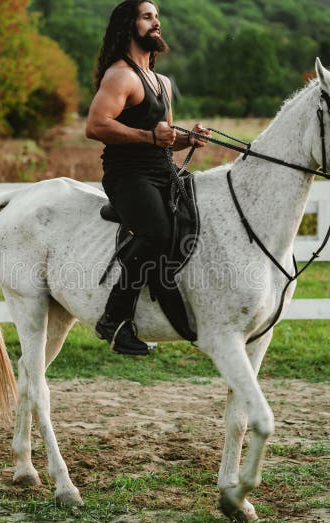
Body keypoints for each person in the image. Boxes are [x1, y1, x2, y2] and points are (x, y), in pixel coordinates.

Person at [86, 0, 209, 355]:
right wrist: (150, 137)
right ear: (130, 25)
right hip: (127, 176)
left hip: (161, 171)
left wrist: (188, 139)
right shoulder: (120, 76)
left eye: (157, 17)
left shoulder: (162, 82)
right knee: (157, 232)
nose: (156, 23)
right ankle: (113, 319)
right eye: (147, 17)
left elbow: (164, 137)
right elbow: (95, 126)